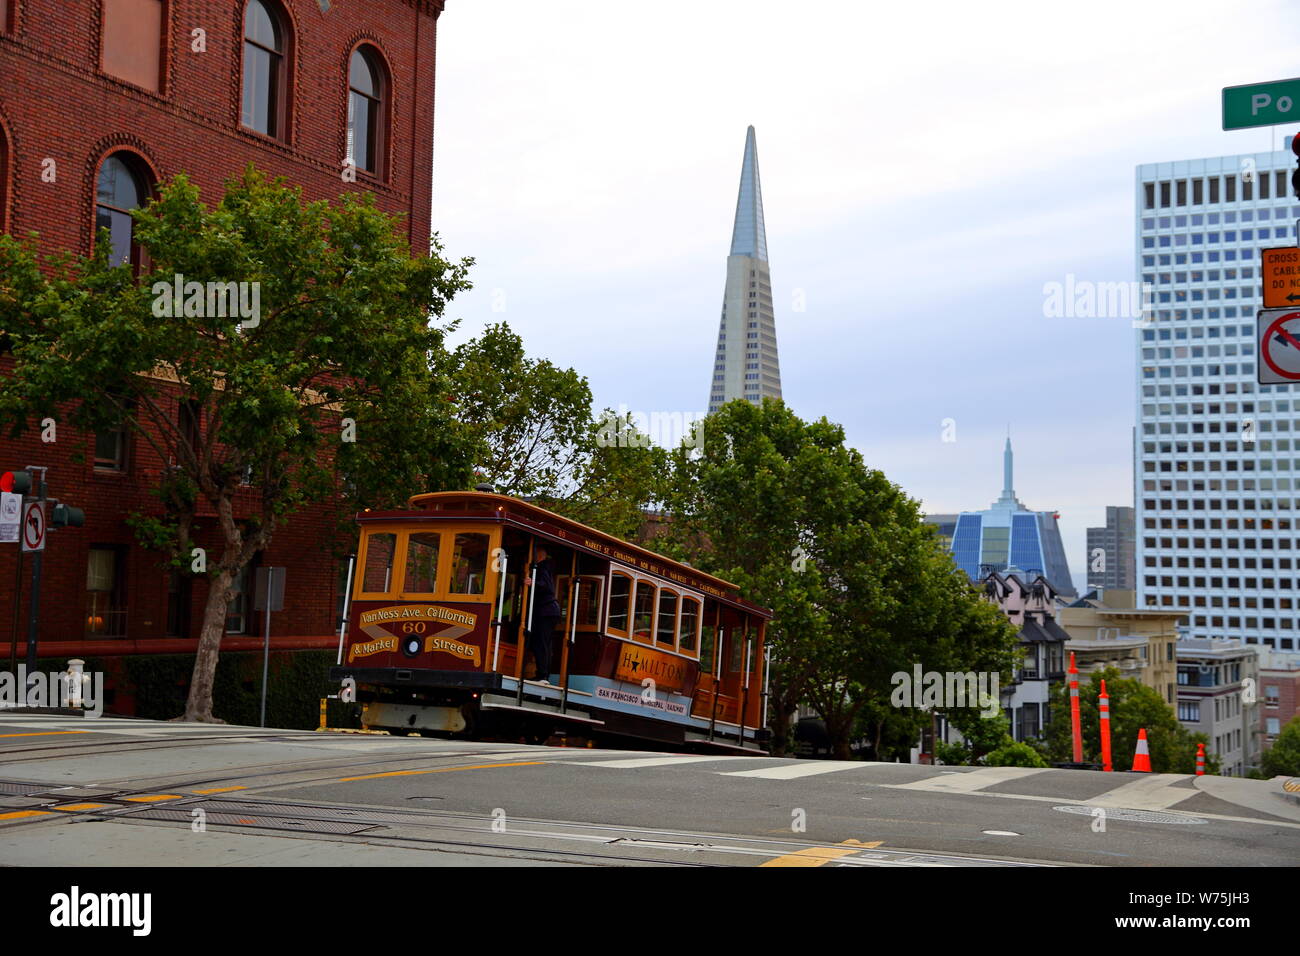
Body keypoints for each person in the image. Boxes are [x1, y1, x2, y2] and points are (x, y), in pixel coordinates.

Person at [527, 543, 563, 683]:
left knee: (540, 642)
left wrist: (532, 582)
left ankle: (542, 675)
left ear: (539, 556)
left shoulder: (542, 567)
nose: (531, 558)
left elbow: (546, 586)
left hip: (546, 611)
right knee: (545, 643)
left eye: (532, 555)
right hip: (549, 611)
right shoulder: (546, 567)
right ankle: (544, 674)